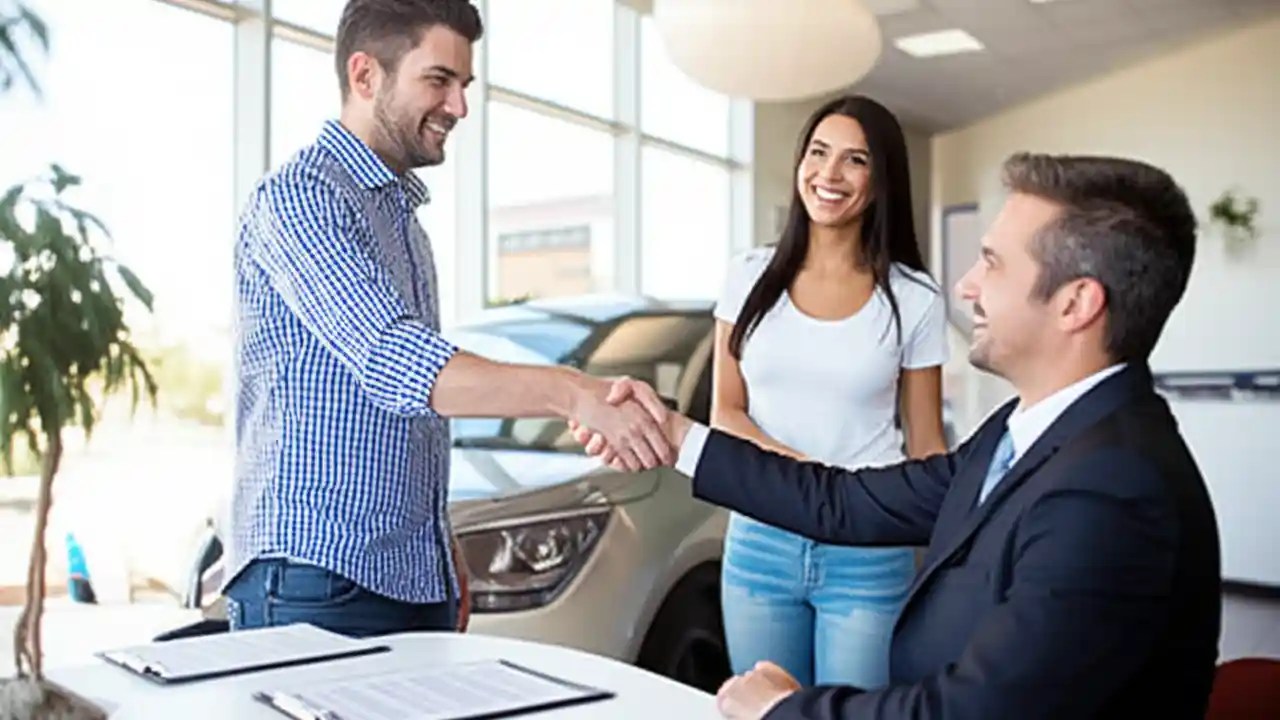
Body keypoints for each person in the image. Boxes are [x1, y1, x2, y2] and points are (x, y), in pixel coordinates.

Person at [578, 152, 1222, 719]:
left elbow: (977, 711)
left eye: (992, 264)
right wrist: (673, 434)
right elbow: (844, 502)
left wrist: (786, 710)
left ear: (1076, 304)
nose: (967, 285)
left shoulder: (1114, 490)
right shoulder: (1024, 431)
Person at [225, 0, 672, 639]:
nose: (459, 107)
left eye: (464, 86)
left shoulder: (402, 222)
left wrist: (439, 549)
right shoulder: (302, 199)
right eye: (439, 81)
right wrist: (577, 394)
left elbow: (415, 414)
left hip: (407, 574)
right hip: (318, 580)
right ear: (364, 76)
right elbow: (396, 362)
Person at [710, 95, 948, 690]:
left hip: (868, 550)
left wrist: (961, 546)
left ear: (882, 176)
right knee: (764, 710)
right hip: (760, 539)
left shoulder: (914, 296)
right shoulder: (749, 275)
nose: (829, 174)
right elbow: (725, 412)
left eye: (854, 160)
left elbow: (925, 442)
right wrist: (813, 483)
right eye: (818, 153)